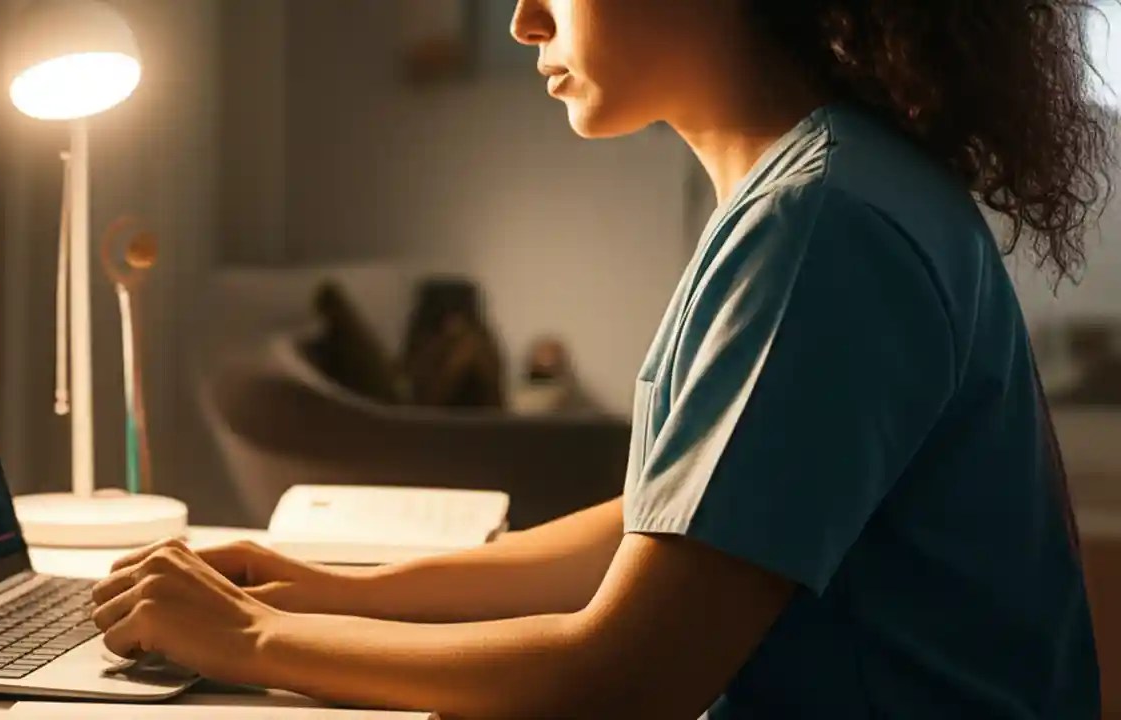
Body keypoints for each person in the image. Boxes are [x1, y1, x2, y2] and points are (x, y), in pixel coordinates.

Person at [90, 1, 1108, 716]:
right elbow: (672, 530)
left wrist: (252, 643)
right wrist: (317, 588)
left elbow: (625, 682)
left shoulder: (819, 225)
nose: (523, 20)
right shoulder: (825, 185)